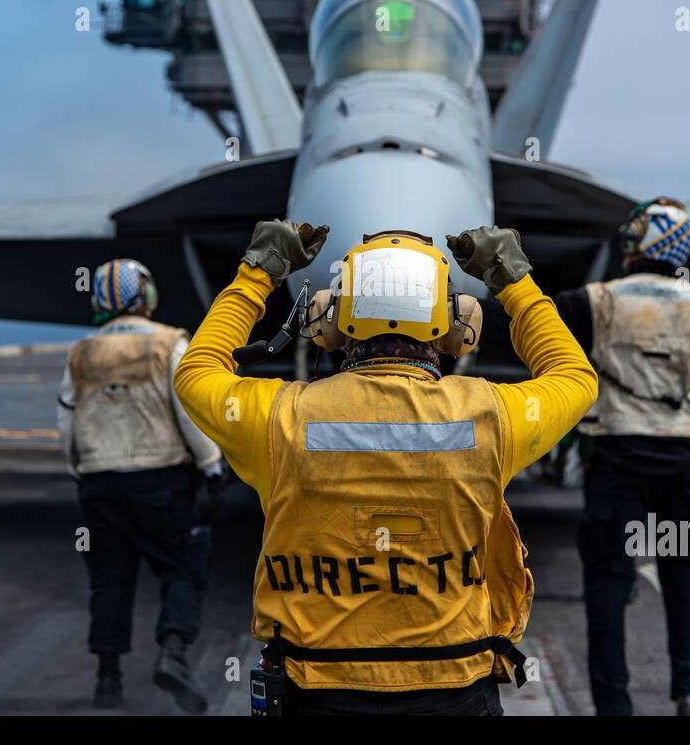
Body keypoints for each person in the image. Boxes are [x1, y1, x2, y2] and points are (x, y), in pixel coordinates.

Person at [174, 222, 596, 715]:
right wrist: (514, 281)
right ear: (457, 323)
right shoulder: (491, 417)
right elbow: (574, 377)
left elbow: (196, 371)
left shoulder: (278, 418)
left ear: (328, 320)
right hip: (455, 689)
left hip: (315, 690)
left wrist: (257, 274)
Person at [553, 197, 690, 716]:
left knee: (607, 582)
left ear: (641, 243)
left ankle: (613, 706)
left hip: (616, 458)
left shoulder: (592, 300)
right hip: (686, 463)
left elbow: (523, 323)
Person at [57, 258, 227, 711]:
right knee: (182, 567)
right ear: (145, 296)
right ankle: (173, 653)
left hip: (98, 485)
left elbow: (65, 419)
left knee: (109, 581)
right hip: (160, 480)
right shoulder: (170, 343)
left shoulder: (81, 352)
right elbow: (188, 409)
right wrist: (212, 465)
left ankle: (107, 679)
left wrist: (80, 468)